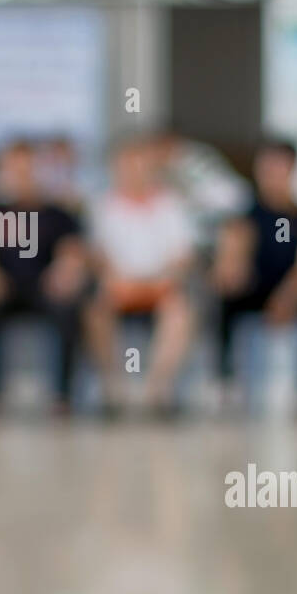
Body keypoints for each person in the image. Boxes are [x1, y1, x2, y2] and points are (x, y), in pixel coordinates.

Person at [0, 140, 88, 413]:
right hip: (4, 290)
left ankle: (62, 396)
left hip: (46, 288)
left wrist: (65, 271)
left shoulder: (59, 214)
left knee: (69, 310)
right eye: (14, 170)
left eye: (27, 169)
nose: (21, 176)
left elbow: (73, 251)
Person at [213, 138, 297, 411]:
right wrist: (230, 267)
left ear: (293, 170)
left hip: (289, 291)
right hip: (254, 289)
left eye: (280, 167)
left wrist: (289, 300)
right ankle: (226, 380)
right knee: (224, 302)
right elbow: (232, 259)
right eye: (267, 168)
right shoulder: (245, 214)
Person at [85, 136, 196, 414]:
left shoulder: (170, 205)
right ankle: (113, 390)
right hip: (118, 286)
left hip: (160, 286)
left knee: (180, 313)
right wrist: (115, 279)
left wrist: (162, 280)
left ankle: (157, 391)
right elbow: (97, 254)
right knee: (96, 312)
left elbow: (183, 256)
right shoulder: (103, 206)